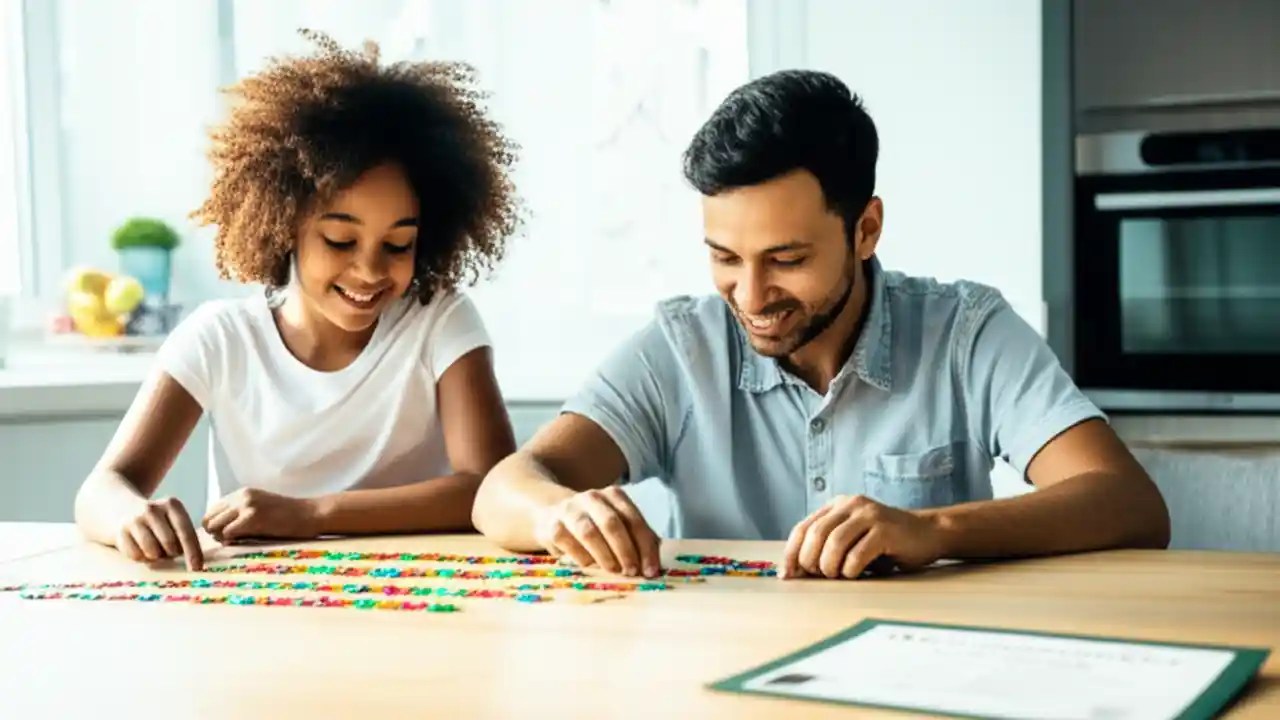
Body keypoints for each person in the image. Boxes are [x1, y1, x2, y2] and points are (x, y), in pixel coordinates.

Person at [472, 69, 1170, 580]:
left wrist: (931, 530)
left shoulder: (967, 330)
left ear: (865, 230)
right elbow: (508, 485)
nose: (749, 294)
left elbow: (1129, 503)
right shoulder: (682, 348)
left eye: (786, 259)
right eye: (724, 257)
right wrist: (555, 515)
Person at [74, 31, 523, 571]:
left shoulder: (440, 320)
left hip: (421, 594)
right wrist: (130, 516)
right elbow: (103, 488)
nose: (370, 269)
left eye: (398, 244)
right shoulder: (220, 337)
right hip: (264, 604)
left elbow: (489, 487)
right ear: (284, 225)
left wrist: (312, 514)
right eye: (340, 240)